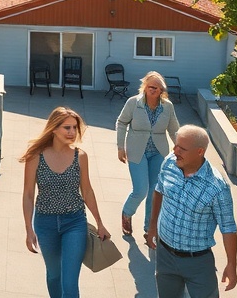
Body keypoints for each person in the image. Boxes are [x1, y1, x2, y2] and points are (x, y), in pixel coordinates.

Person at [22, 107, 111, 298]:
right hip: (45, 223)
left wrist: (100, 223)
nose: (72, 132)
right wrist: (29, 229)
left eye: (74, 128)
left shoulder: (81, 156)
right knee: (54, 276)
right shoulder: (35, 156)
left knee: (69, 284)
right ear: (53, 129)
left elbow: (87, 190)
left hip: (74, 223)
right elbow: (28, 194)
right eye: (67, 128)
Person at [145, 124, 237, 297]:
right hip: (165, 255)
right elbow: (159, 190)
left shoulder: (217, 187)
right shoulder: (169, 163)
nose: (175, 151)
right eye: (176, 145)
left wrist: (231, 265)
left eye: (182, 148)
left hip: (198, 263)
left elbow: (228, 228)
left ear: (200, 151)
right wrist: (152, 227)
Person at [115, 71, 180, 235]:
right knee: (141, 189)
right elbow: (122, 123)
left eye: (157, 88)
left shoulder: (167, 106)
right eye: (151, 87)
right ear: (144, 87)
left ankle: (149, 228)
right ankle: (127, 213)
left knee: (155, 191)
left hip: (158, 152)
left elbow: (174, 130)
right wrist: (120, 147)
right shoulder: (133, 103)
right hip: (137, 152)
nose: (154, 90)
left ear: (162, 91)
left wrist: (181, 148)